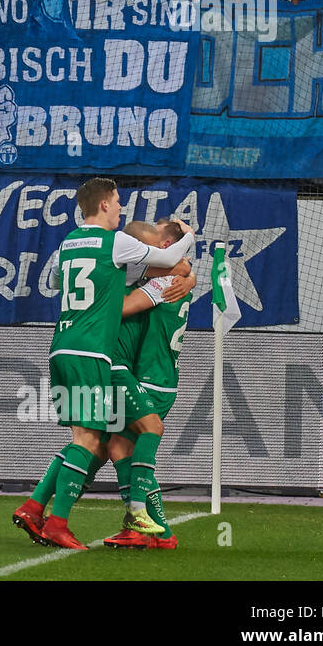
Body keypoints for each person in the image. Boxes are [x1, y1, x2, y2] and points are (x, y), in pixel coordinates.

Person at [12, 177, 194, 549]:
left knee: (96, 443)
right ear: (105, 204)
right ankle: (112, 519)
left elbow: (174, 269)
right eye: (118, 200)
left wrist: (186, 276)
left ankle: (37, 507)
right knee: (102, 440)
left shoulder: (69, 242)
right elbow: (170, 264)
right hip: (99, 357)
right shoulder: (118, 248)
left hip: (63, 345)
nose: (122, 206)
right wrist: (189, 243)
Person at [102, 218, 194, 549]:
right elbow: (182, 267)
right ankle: (161, 533)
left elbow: (122, 308)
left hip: (149, 377)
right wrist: (189, 271)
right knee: (118, 447)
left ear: (164, 247)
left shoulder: (162, 277)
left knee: (128, 441)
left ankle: (137, 521)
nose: (147, 249)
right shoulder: (178, 275)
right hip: (163, 377)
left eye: (155, 241)